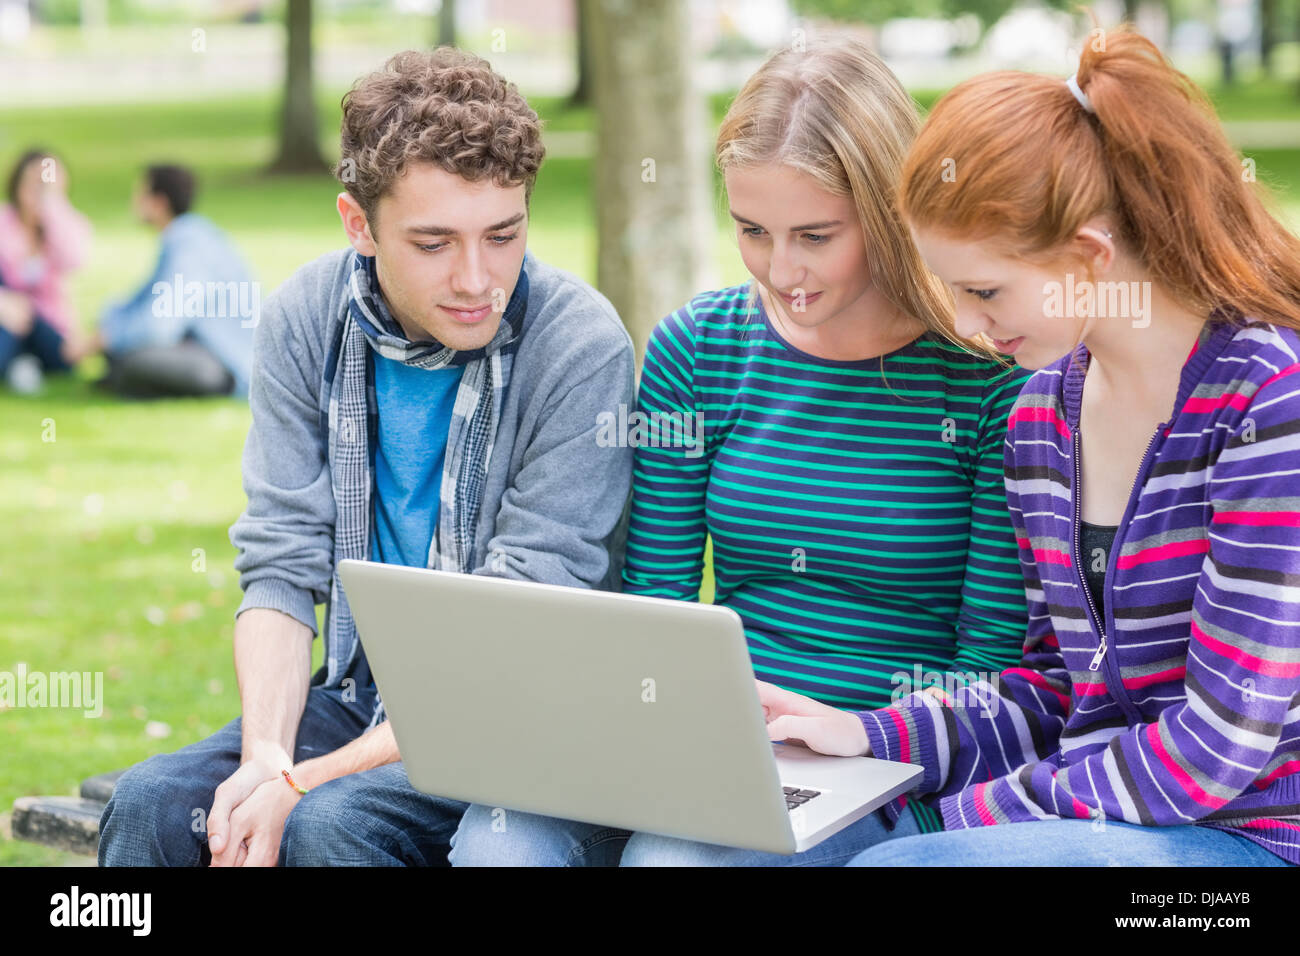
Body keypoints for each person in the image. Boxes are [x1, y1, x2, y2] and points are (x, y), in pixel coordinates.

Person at [449, 34, 1032, 867]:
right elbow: (656, 603)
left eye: (816, 235)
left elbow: (991, 665)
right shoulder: (700, 349)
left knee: (671, 862)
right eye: (752, 230)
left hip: (883, 760)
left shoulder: (986, 380)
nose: (781, 269)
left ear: (890, 208)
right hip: (702, 732)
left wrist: (850, 733)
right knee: (498, 848)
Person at [757, 27, 1300, 867]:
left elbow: (1217, 748)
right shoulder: (1042, 416)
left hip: (1245, 845)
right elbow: (1053, 691)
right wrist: (867, 736)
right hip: (1092, 817)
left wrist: (970, 813)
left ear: (1089, 255)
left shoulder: (1265, 399)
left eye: (984, 291)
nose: (967, 326)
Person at [97, 47, 636, 867]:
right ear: (360, 225)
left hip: (516, 713)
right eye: (433, 243)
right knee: (150, 808)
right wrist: (266, 763)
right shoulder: (307, 317)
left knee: (329, 823)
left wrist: (304, 785)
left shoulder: (579, 345)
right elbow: (280, 565)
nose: (477, 278)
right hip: (357, 696)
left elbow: (515, 626)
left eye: (503, 235)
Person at [78, 164, 257, 398]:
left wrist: (109, 337)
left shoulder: (189, 248)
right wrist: (107, 325)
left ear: (159, 203)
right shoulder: (185, 237)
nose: (134, 201)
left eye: (140, 193)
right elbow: (142, 300)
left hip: (226, 361)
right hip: (201, 348)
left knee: (133, 360)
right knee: (121, 352)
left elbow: (160, 326)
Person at [0, 148, 92, 392]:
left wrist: (52, 205)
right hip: (5, 318)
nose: (37, 193)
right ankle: (19, 364)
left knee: (64, 360)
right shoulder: (4, 223)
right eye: (32, 185)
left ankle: (22, 364)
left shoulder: (68, 225)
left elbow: (73, 260)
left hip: (49, 326)